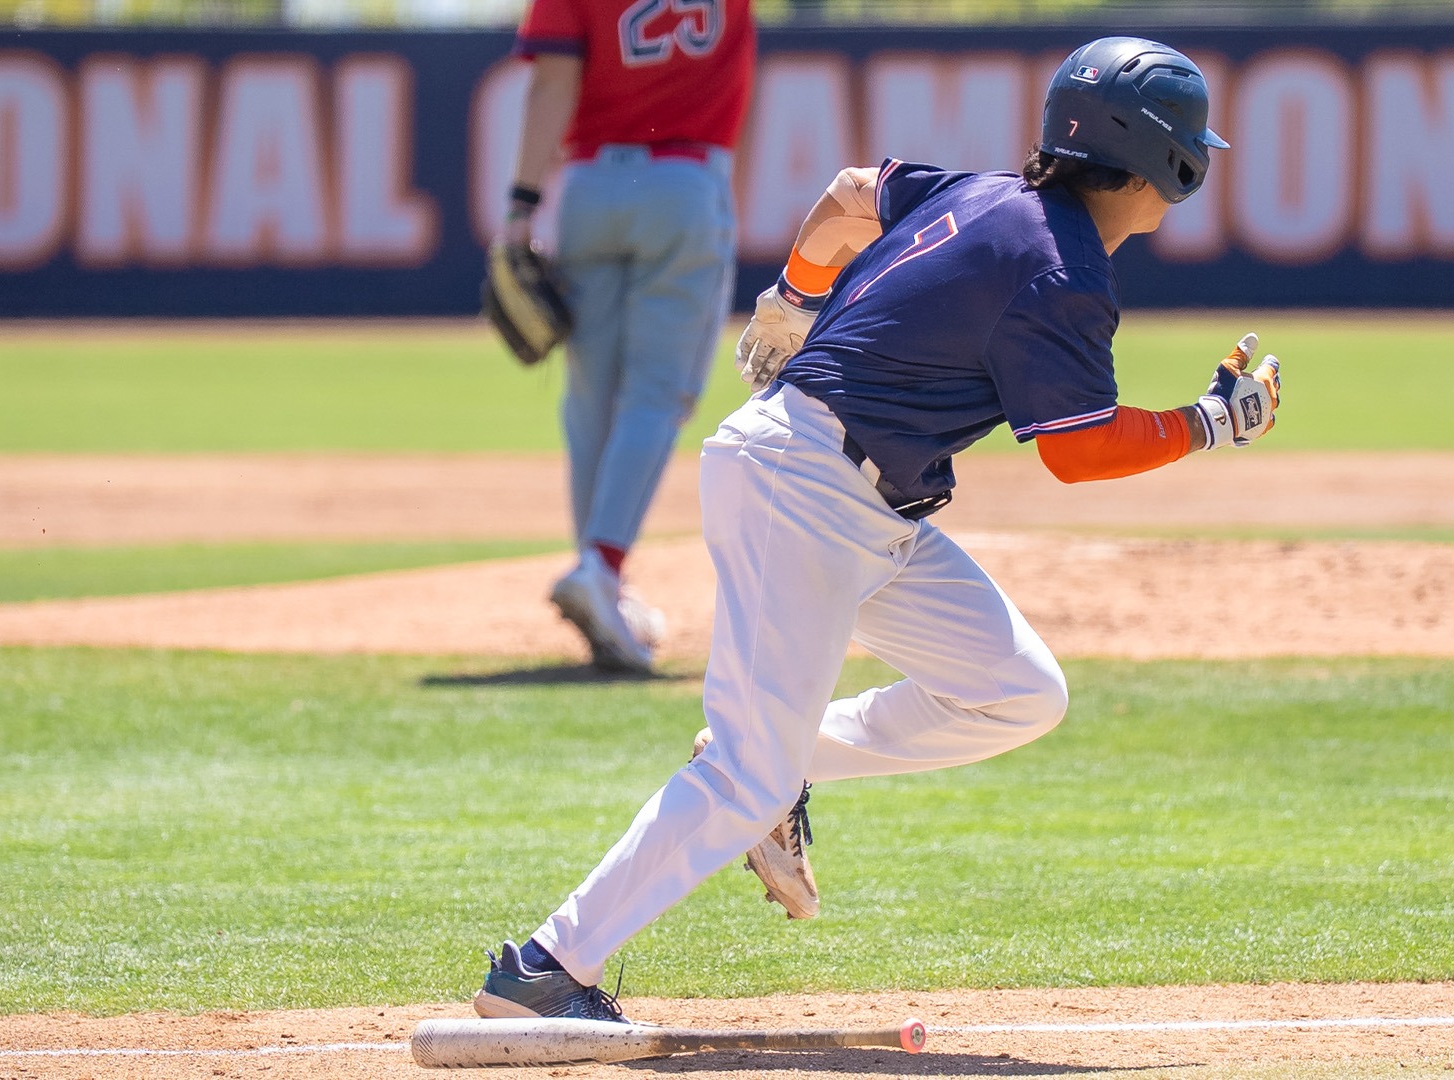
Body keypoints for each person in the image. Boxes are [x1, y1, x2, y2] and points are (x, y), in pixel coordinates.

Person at [470, 36, 1282, 1021]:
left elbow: (854, 192)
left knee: (1017, 691)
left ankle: (788, 762)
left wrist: (794, 298)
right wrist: (1210, 420)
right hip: (806, 488)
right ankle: (549, 967)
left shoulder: (984, 197)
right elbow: (1076, 451)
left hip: (856, 498)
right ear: (1173, 165)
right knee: (744, 769)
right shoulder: (1065, 268)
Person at [501, 0, 754, 674]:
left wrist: (521, 203)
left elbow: (552, 80)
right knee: (656, 393)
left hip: (590, 185)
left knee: (591, 398)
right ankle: (602, 568)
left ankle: (601, 576)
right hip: (681, 181)